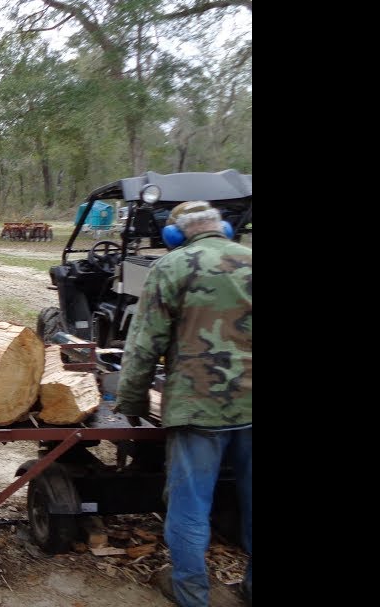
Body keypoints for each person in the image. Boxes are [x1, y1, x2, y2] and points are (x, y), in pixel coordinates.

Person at [113, 200, 252, 607]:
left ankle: (191, 592)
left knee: (190, 505)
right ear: (222, 228)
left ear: (174, 234)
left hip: (198, 408)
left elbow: (143, 346)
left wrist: (132, 403)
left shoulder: (171, 267)